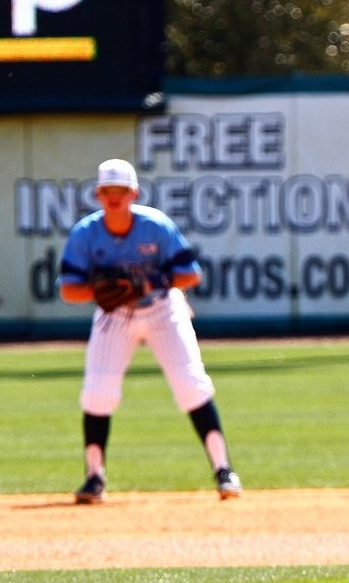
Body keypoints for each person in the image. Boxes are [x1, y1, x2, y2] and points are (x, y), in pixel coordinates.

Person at [57, 159, 243, 504]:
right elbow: (69, 290)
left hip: (162, 308)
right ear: (98, 194)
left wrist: (149, 281)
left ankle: (224, 470)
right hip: (115, 315)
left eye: (121, 191)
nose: (114, 197)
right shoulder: (86, 232)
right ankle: (94, 477)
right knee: (97, 392)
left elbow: (190, 274)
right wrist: (103, 291)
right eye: (108, 191)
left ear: (134, 193)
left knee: (191, 384)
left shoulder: (155, 225)